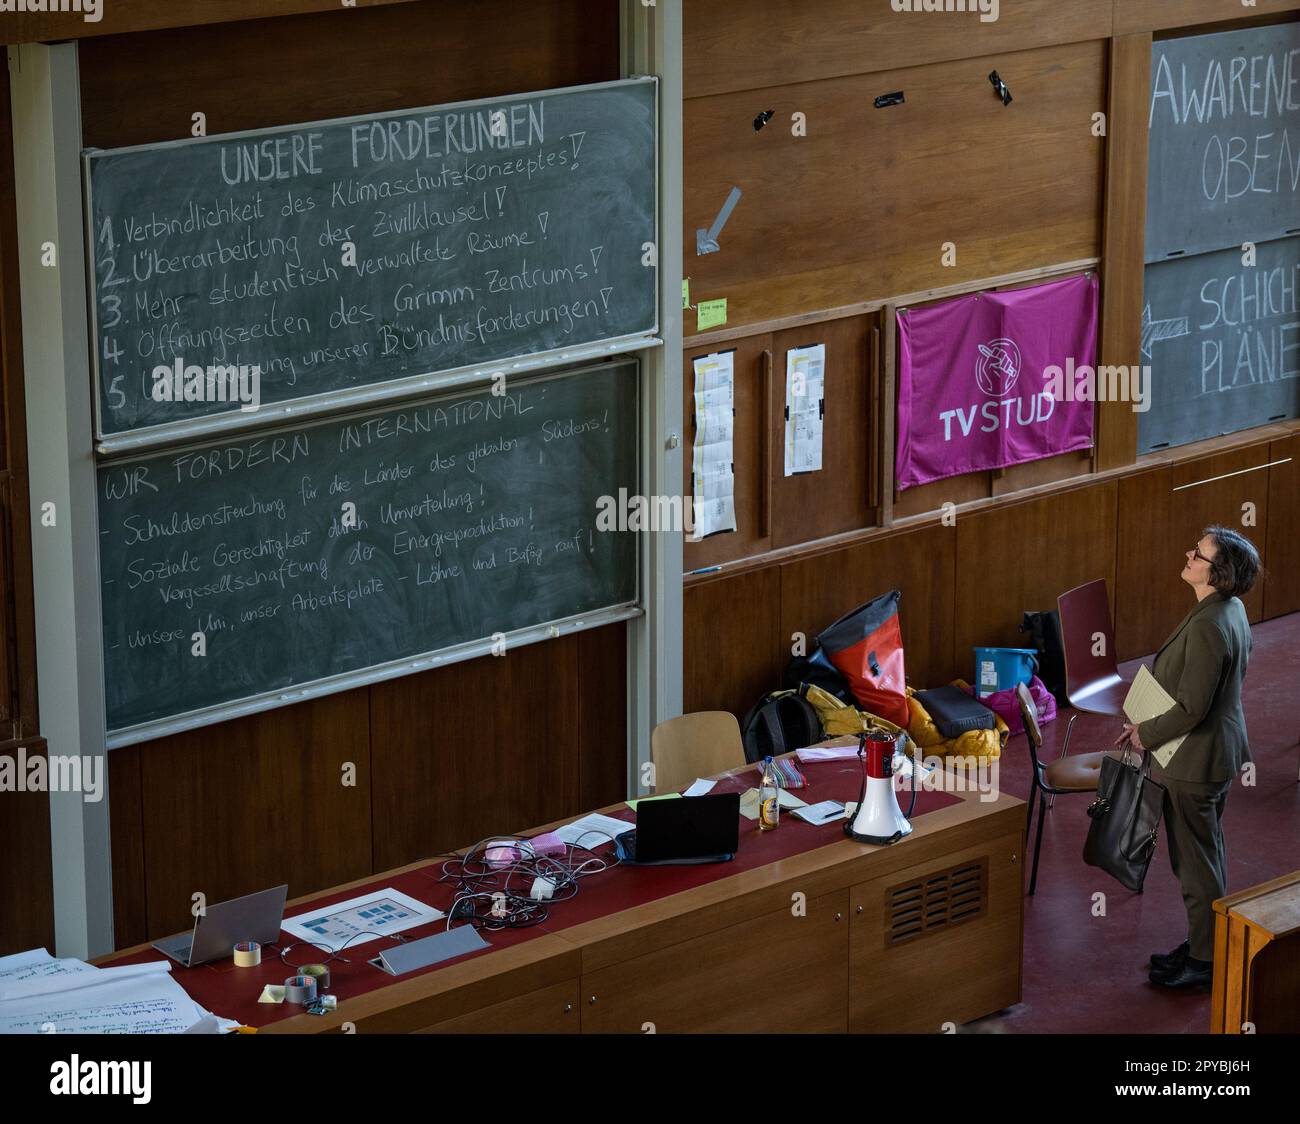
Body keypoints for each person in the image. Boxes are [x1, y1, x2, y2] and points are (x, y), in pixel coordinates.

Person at [1115, 526, 1259, 990]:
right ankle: (1206, 942)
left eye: (1198, 553)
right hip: (1215, 751)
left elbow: (1193, 708)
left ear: (1217, 573)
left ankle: (1206, 962)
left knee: (1195, 864)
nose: (1189, 554)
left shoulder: (1210, 625)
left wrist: (1145, 733)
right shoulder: (1228, 609)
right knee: (1207, 854)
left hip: (1194, 761)